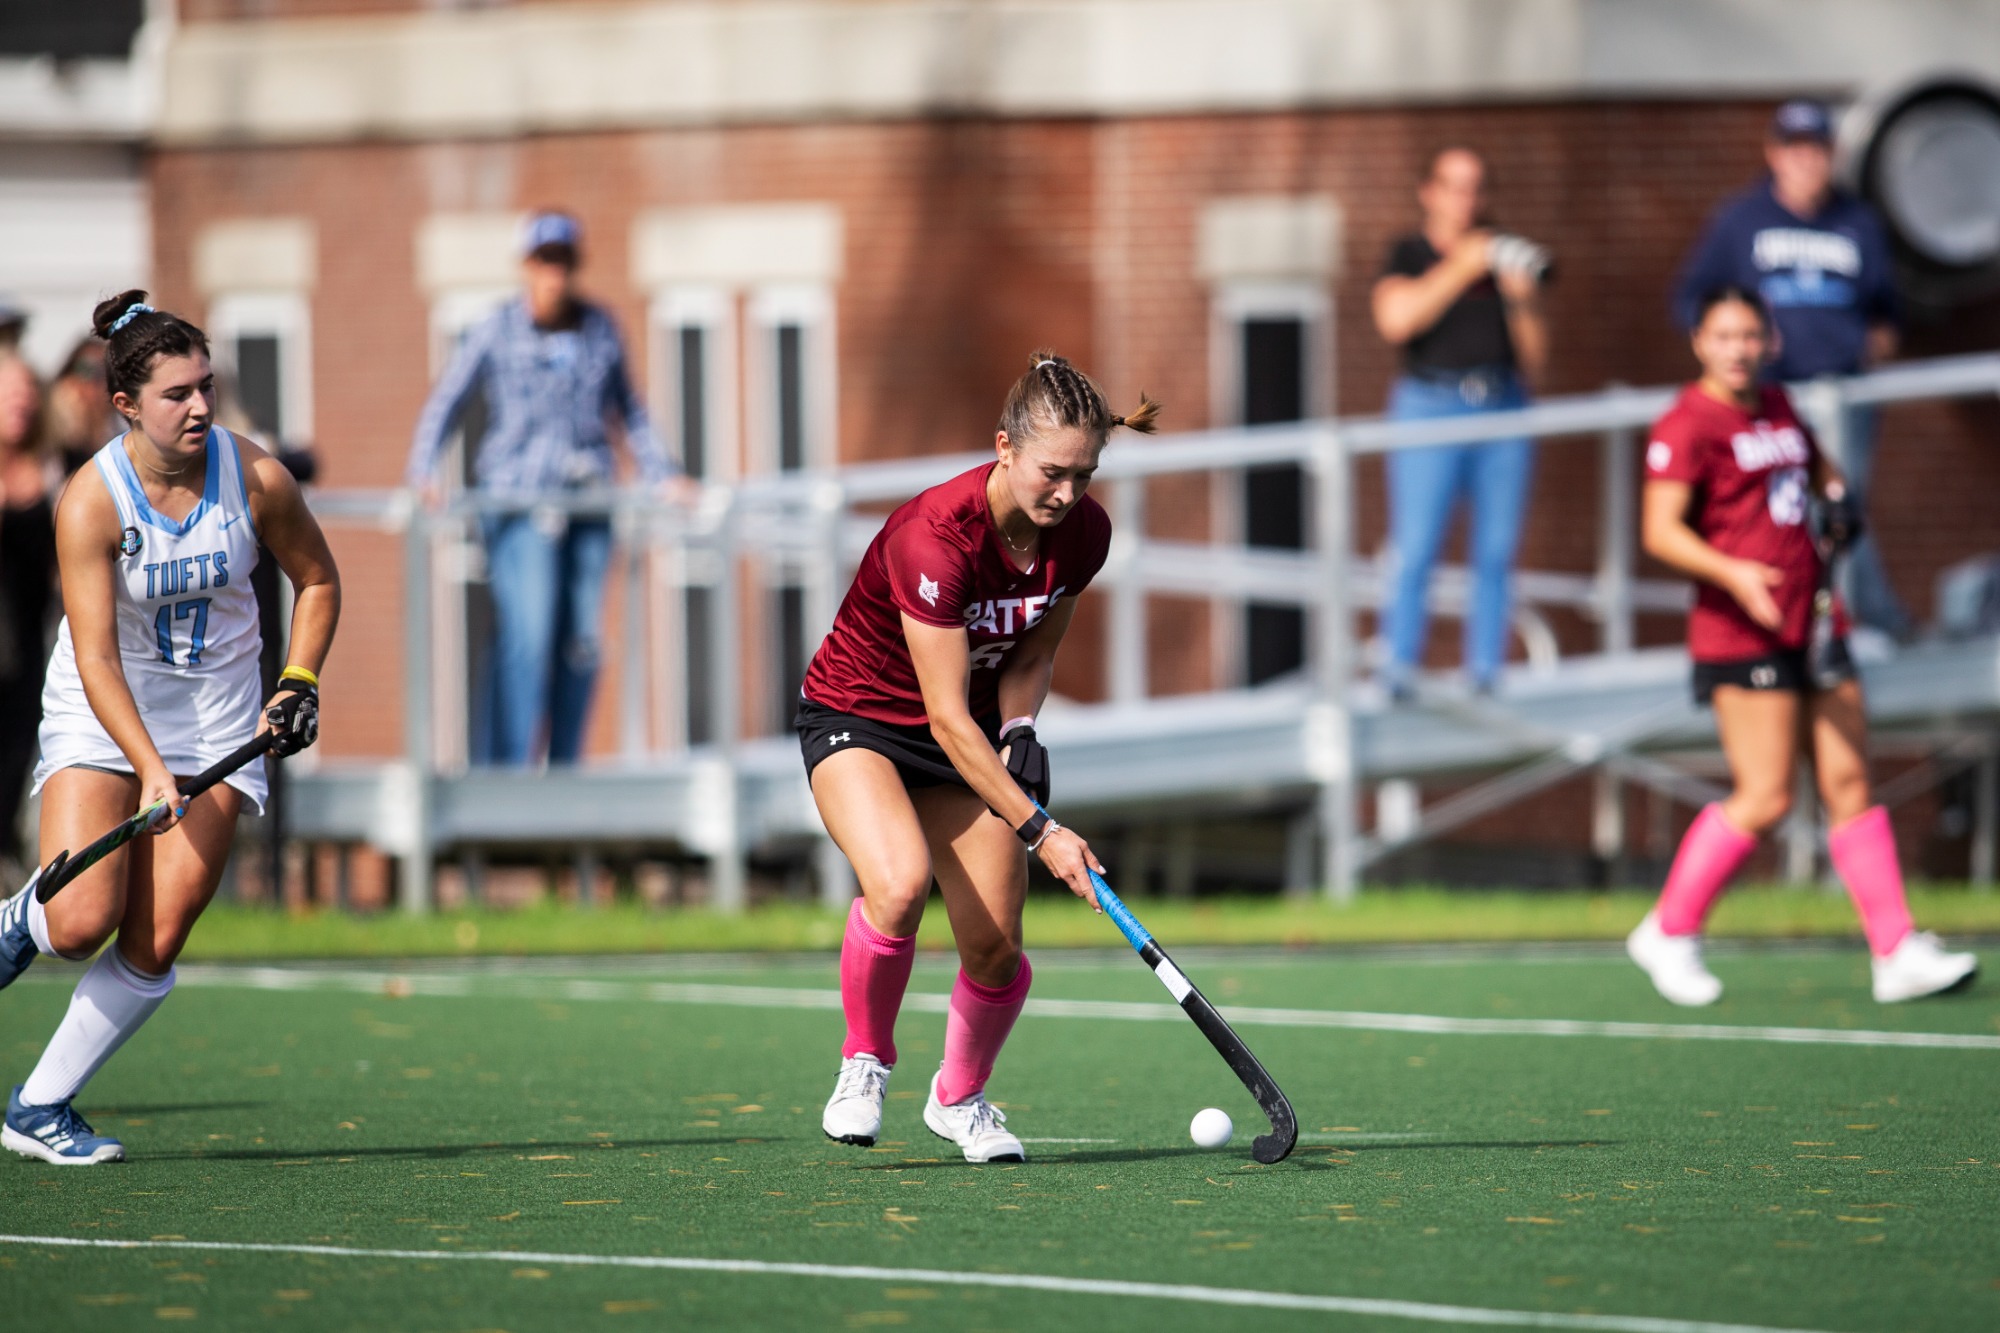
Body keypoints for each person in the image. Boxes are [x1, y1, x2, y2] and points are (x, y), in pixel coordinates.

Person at [0, 291, 341, 1163]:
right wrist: (149, 766)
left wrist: (297, 679)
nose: (199, 407)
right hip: (104, 709)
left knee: (156, 935)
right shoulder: (91, 501)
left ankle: (39, 1107)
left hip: (220, 720)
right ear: (126, 405)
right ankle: (20, 922)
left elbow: (320, 581)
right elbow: (97, 657)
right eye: (176, 394)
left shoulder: (257, 477)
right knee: (78, 921)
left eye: (206, 387)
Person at [799, 351, 1157, 1163]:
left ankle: (958, 1098)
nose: (1067, 494)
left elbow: (1031, 655)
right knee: (897, 883)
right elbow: (946, 715)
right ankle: (865, 1061)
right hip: (863, 718)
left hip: (967, 727)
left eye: (1086, 474)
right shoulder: (935, 537)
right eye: (1051, 473)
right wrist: (1043, 830)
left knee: (995, 941)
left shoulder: (1084, 534)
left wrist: (1024, 730)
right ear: (1003, 447)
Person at [1626, 286, 1974, 1008]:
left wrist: (1841, 502)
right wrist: (1734, 572)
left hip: (1814, 618)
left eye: (1751, 335)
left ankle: (1895, 949)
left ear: (1769, 340)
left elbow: (1823, 475)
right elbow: (1660, 531)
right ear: (1699, 341)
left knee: (1850, 780)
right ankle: (1669, 927)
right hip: (1740, 630)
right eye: (1724, 336)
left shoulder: (1780, 405)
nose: (1739, 349)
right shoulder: (1686, 423)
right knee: (1767, 795)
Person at [405, 210, 678, 766]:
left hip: (588, 502)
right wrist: (424, 469)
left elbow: (630, 410)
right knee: (528, 638)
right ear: (527, 265)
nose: (554, 273)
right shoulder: (496, 327)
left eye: (563, 260)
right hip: (517, 504)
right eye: (544, 260)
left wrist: (665, 474)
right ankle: (504, 770)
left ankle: (564, 769)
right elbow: (448, 400)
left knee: (581, 645)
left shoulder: (600, 327)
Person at [1674, 99, 1909, 640]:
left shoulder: (1859, 222)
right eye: (1794, 149)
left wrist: (1874, 339)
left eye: (1817, 150)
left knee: (1839, 502)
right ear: (1774, 154)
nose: (1806, 161)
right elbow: (1689, 298)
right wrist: (1735, 347)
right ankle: (1811, 615)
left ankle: (1847, 619)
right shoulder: (1741, 218)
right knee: (1779, 508)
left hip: (1841, 391)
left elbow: (1888, 312)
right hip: (1769, 396)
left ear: (1833, 155)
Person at [1371, 147, 1550, 699]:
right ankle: (1398, 670)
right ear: (1429, 191)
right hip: (1429, 407)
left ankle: (1485, 672)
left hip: (1502, 404)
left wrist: (1521, 301)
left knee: (1497, 549)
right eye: (1453, 185)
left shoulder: (1502, 250)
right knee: (1417, 545)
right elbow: (1396, 321)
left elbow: (1537, 359)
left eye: (1475, 186)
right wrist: (1462, 266)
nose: (1465, 199)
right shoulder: (1409, 251)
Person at [0, 357, 54, 883]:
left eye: (26, 392)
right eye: (8, 391)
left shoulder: (52, 469)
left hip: (28, 647)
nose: (22, 401)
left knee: (16, 763)